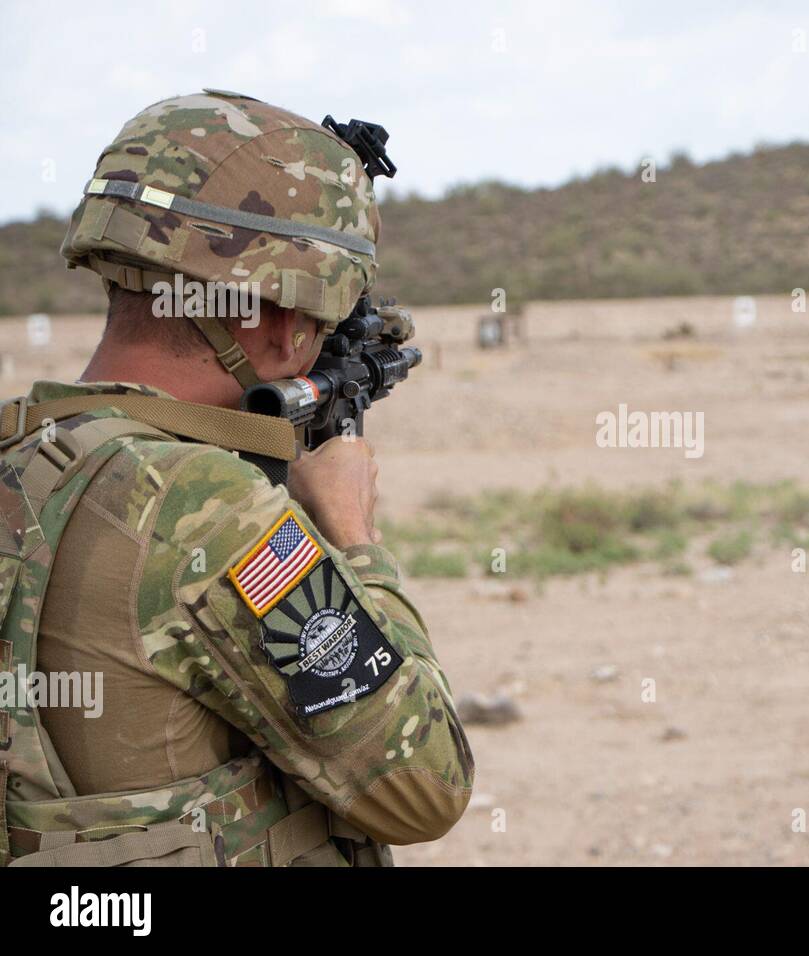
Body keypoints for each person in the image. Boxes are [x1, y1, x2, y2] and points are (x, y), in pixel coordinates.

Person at [0, 90, 472, 867]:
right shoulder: (207, 510)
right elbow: (425, 787)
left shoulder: (28, 454)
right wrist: (352, 535)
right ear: (283, 319)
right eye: (321, 324)